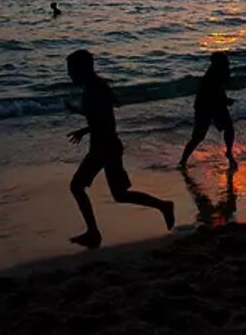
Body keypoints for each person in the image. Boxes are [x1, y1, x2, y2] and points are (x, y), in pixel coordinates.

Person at [64, 49, 174, 248]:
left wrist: (81, 118)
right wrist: (84, 126)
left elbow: (102, 119)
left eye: (71, 70)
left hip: (103, 148)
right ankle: (163, 205)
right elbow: (101, 117)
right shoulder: (96, 87)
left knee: (77, 186)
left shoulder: (95, 89)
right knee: (120, 195)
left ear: (81, 70)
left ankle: (93, 233)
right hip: (108, 146)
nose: (69, 74)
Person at [179, 52, 237, 169]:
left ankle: (229, 152)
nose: (228, 65)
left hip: (214, 105)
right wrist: (225, 101)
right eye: (226, 63)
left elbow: (219, 90)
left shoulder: (216, 73)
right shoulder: (214, 75)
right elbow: (213, 93)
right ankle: (183, 160)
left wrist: (225, 100)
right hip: (204, 106)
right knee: (199, 136)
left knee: (228, 128)